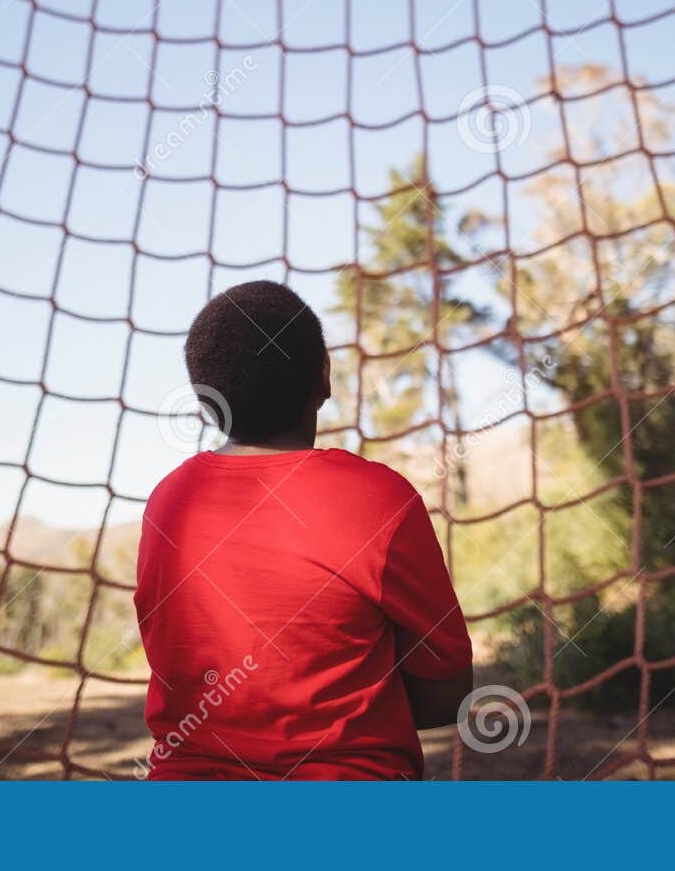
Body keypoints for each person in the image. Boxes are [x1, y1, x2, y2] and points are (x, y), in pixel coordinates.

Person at [134, 280, 473, 779]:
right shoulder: (379, 498)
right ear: (324, 376)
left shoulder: (167, 503)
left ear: (206, 401)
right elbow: (448, 694)